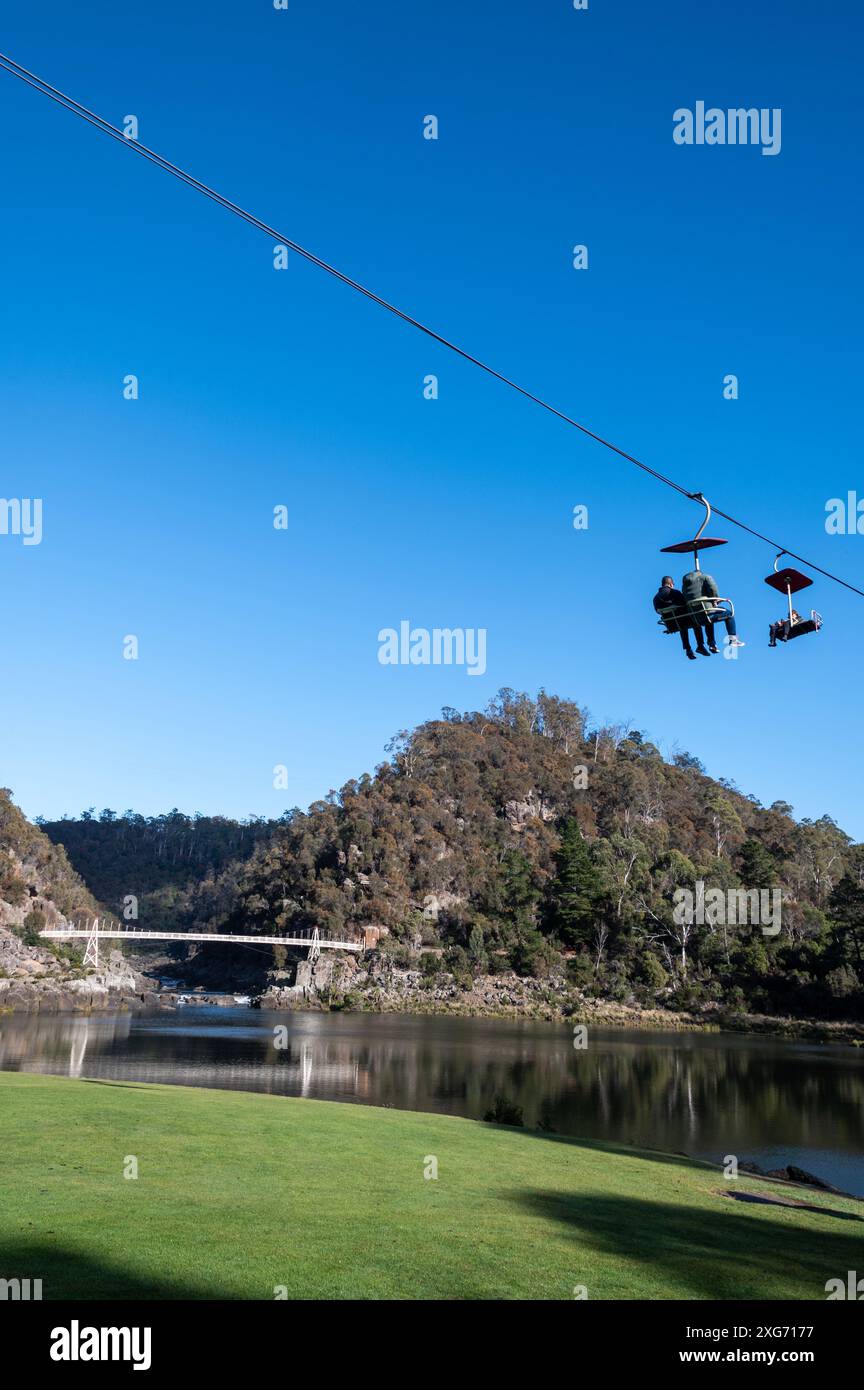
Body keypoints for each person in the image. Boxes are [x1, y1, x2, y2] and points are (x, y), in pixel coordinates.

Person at [681, 568, 745, 652]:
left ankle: (712, 644)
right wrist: (716, 600)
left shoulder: (685, 585)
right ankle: (733, 639)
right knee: (729, 614)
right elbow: (713, 589)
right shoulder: (705, 577)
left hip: (695, 617)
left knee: (708, 617)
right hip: (707, 613)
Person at [653, 575, 709, 659]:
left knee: (681, 624)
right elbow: (685, 604)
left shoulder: (655, 598)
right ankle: (700, 645)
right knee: (695, 620)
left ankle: (688, 649)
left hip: (671, 624)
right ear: (671, 584)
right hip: (682, 620)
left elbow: (658, 612)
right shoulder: (675, 593)